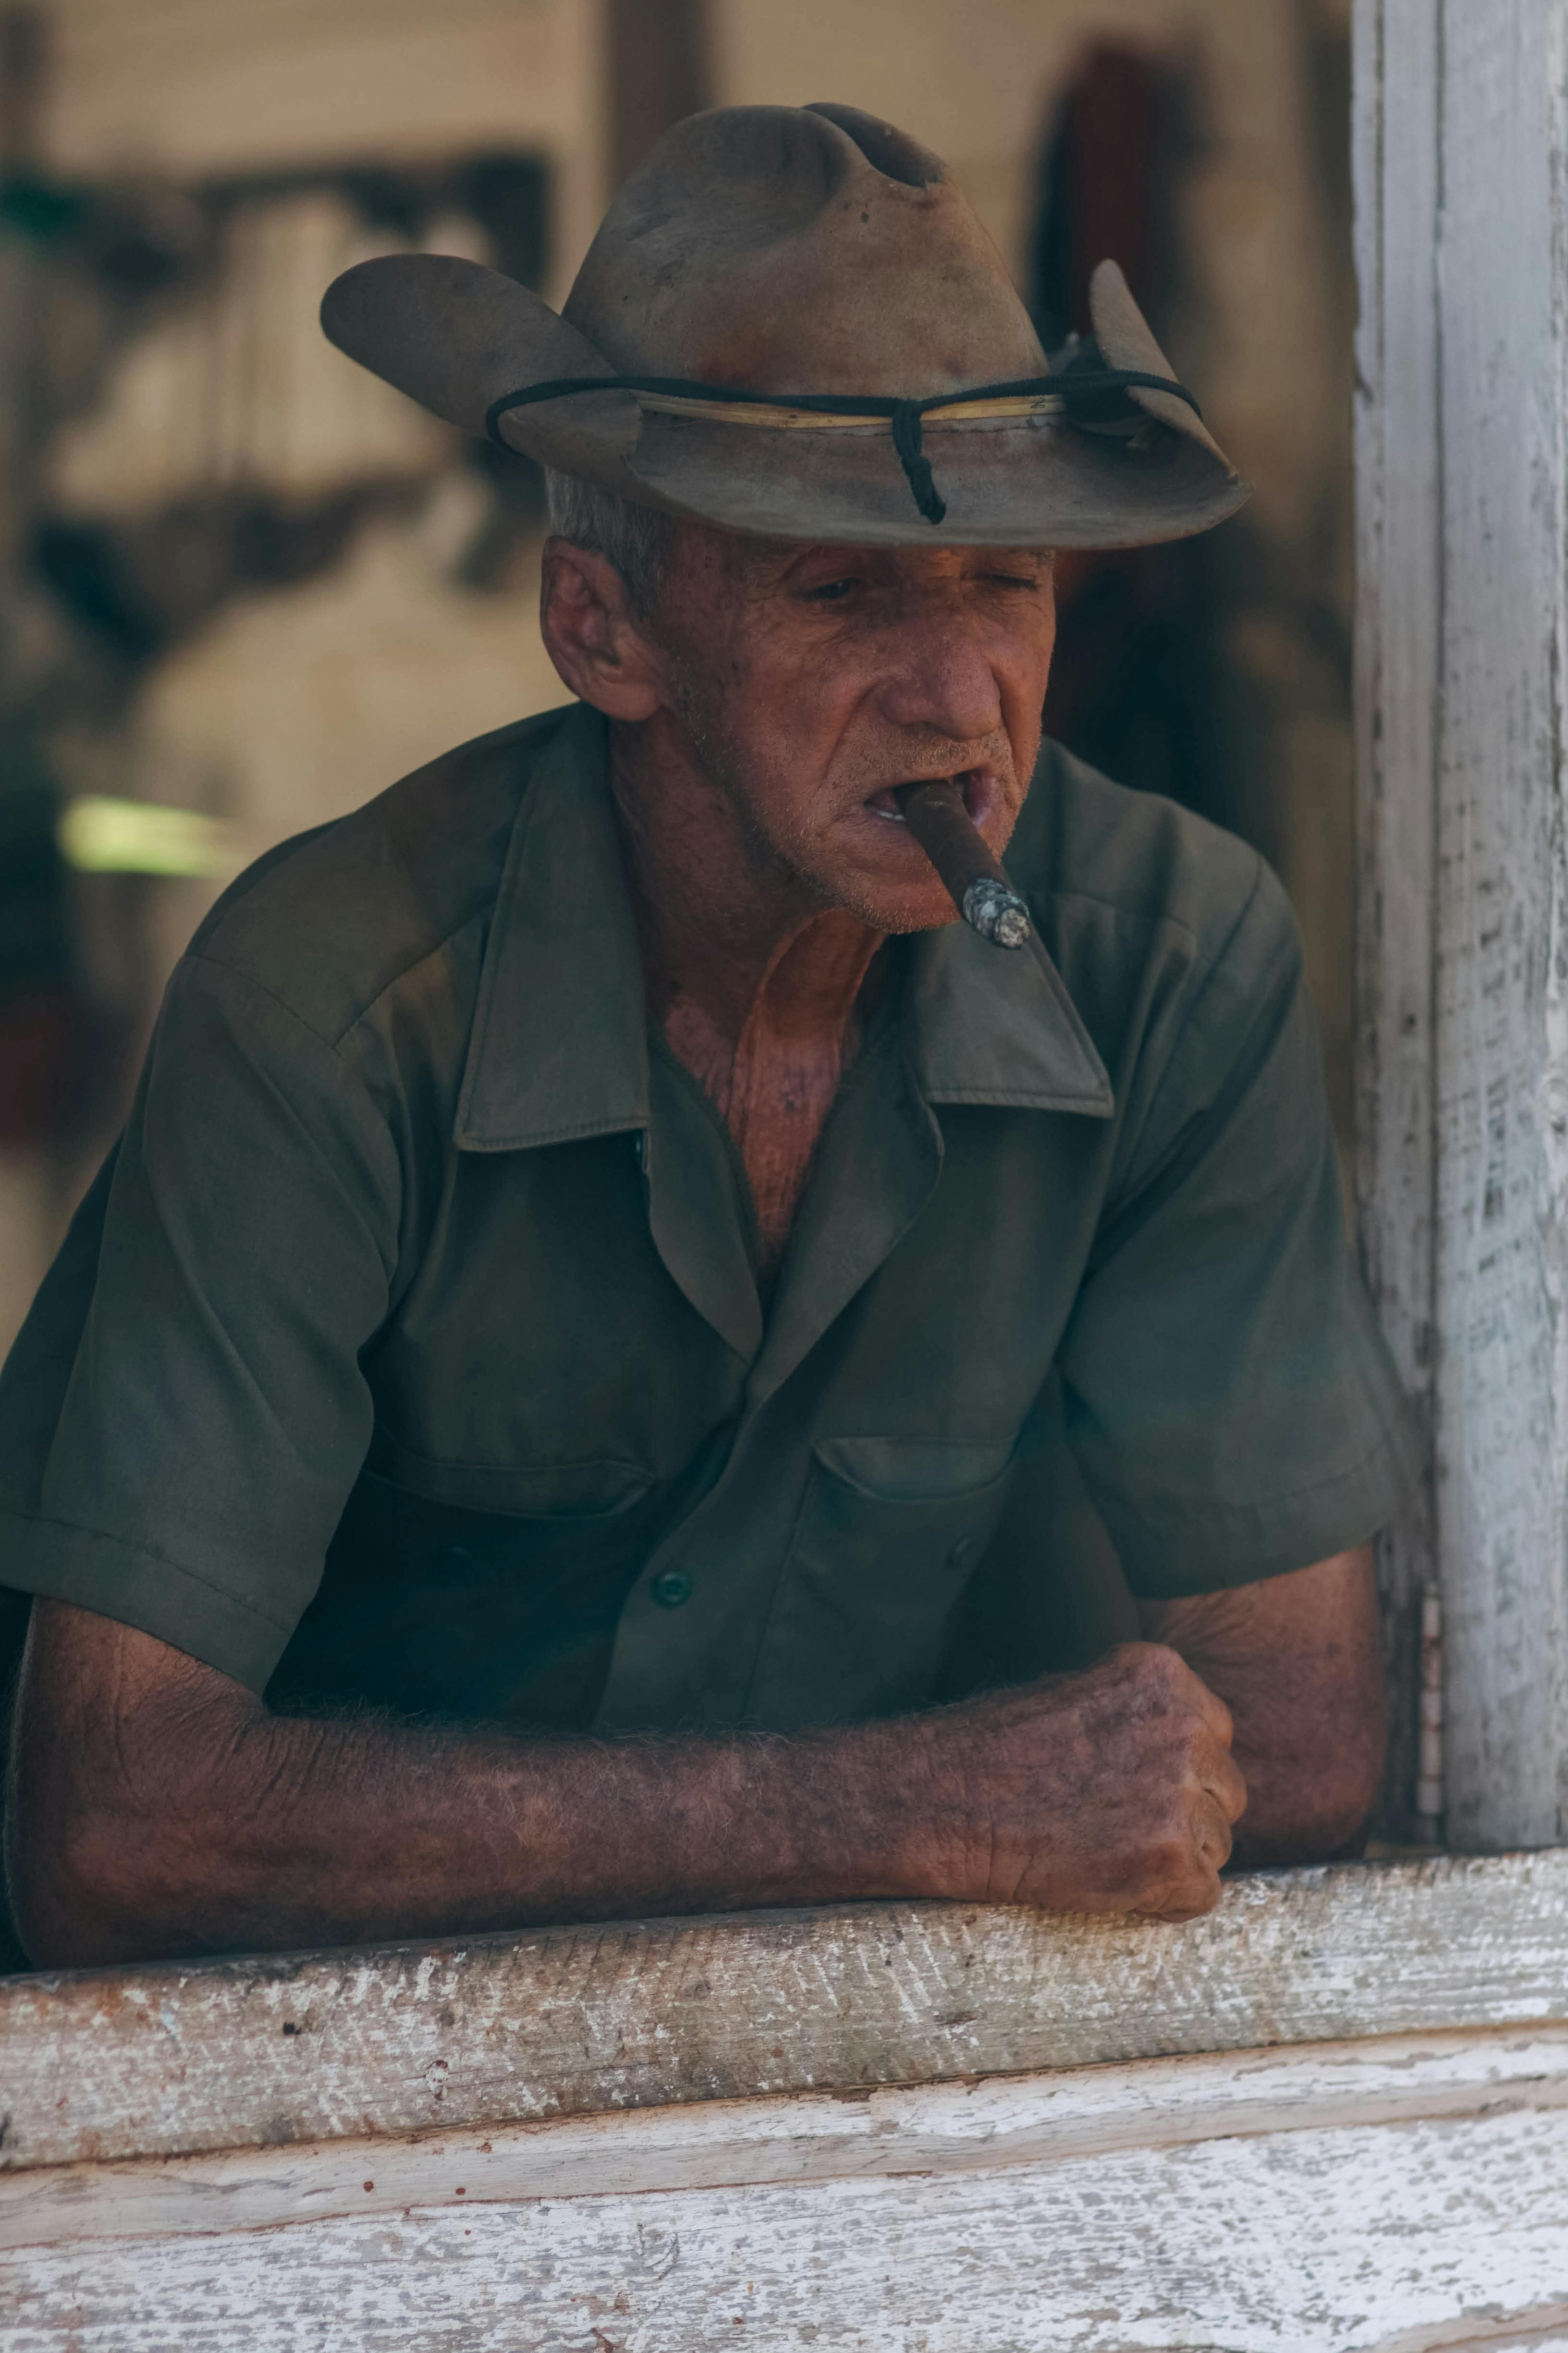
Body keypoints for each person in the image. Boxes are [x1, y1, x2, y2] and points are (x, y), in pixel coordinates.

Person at [0, 104, 1415, 1969]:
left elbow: (1295, 1735)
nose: (959, 696)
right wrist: (908, 1811)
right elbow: (115, 1822)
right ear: (603, 628)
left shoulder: (1166, 963)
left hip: (897, 2082)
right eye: (837, 585)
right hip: (282, 2091)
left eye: (1008, 577)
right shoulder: (334, 1004)